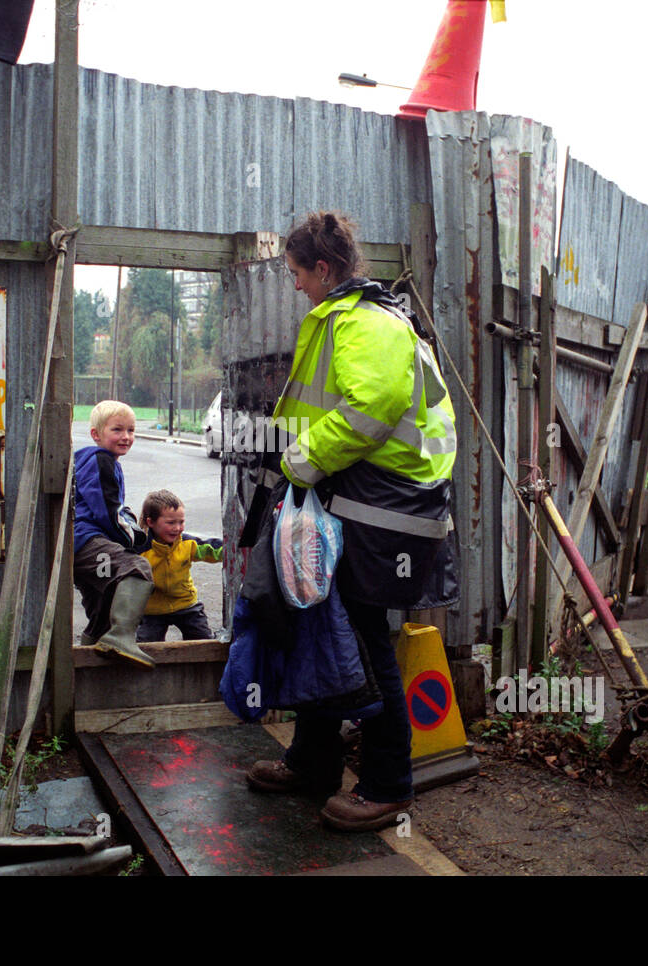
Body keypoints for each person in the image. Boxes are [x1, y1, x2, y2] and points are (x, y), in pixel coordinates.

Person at [242, 210, 458, 832]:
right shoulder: (350, 318)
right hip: (362, 497)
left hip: (381, 506)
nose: (295, 284)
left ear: (323, 268)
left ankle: (389, 786)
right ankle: (314, 763)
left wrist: (300, 459)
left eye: (297, 273)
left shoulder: (367, 322)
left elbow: (372, 407)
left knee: (363, 642)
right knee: (322, 628)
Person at [72, 400, 156, 668]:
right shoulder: (101, 460)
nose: (126, 437)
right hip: (88, 540)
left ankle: (93, 654)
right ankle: (121, 637)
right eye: (117, 430)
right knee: (136, 568)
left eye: (131, 430)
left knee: (104, 599)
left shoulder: (93, 460)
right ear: (96, 434)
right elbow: (109, 512)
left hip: (80, 545)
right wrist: (137, 540)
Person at [135, 489, 223, 641]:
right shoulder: (140, 550)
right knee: (146, 647)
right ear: (150, 522)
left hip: (185, 603)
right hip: (152, 609)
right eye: (170, 523)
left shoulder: (188, 544)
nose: (177, 528)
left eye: (181, 522)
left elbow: (213, 549)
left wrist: (235, 549)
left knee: (203, 640)